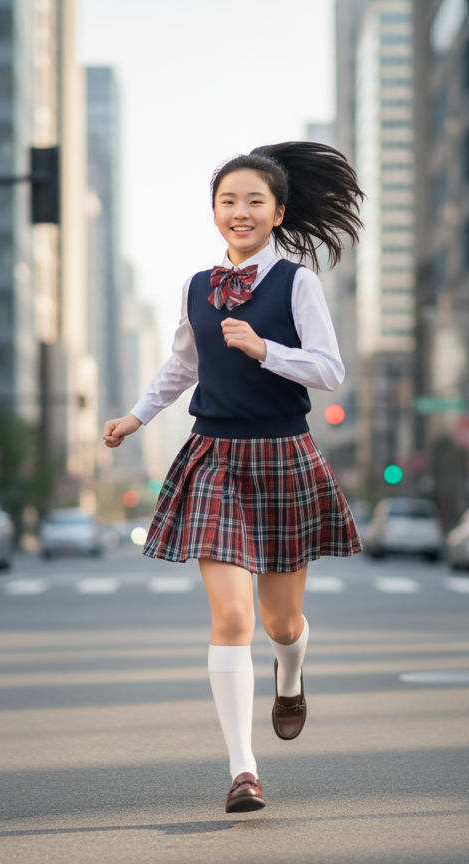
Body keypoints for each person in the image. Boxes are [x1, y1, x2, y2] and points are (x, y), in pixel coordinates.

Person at [103, 143, 364, 813]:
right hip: (215, 456)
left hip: (283, 456)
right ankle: (243, 770)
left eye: (254, 201)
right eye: (228, 201)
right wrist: (135, 417)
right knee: (229, 615)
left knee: (280, 623)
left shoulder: (298, 283)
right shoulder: (197, 286)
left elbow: (330, 370)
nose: (240, 212)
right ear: (213, 213)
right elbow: (182, 367)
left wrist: (263, 349)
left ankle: (292, 669)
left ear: (278, 212)